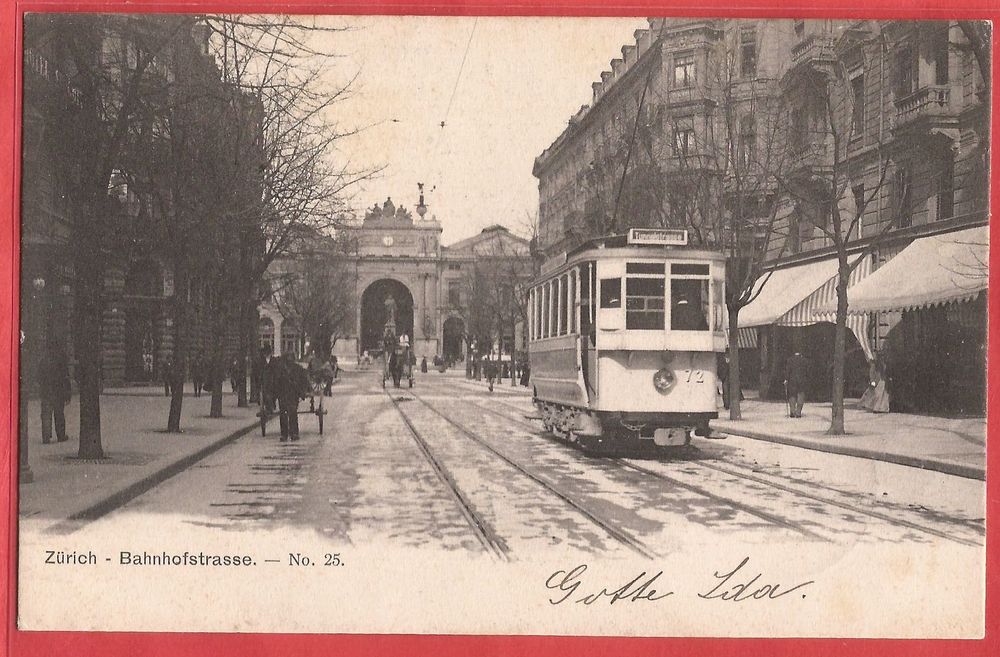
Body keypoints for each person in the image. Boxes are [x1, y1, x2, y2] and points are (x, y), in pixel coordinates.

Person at [272, 355, 310, 441]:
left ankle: (293, 433)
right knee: (284, 414)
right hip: (283, 393)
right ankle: (285, 434)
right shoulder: (280, 370)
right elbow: (276, 382)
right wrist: (275, 394)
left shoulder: (298, 369)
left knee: (292, 413)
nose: (289, 362)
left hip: (293, 393)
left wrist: (302, 392)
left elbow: (303, 381)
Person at [39, 341, 71, 444]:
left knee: (46, 413)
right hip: (58, 391)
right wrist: (67, 394)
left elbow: (38, 377)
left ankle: (46, 436)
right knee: (59, 414)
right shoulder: (61, 359)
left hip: (46, 390)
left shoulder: (43, 360)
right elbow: (66, 377)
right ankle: (61, 435)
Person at [784, 350, 809, 418]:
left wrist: (786, 379)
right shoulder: (804, 360)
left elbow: (787, 370)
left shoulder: (790, 360)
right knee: (800, 395)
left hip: (792, 381)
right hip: (802, 381)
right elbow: (807, 372)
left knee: (792, 395)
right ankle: (798, 412)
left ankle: (792, 411)